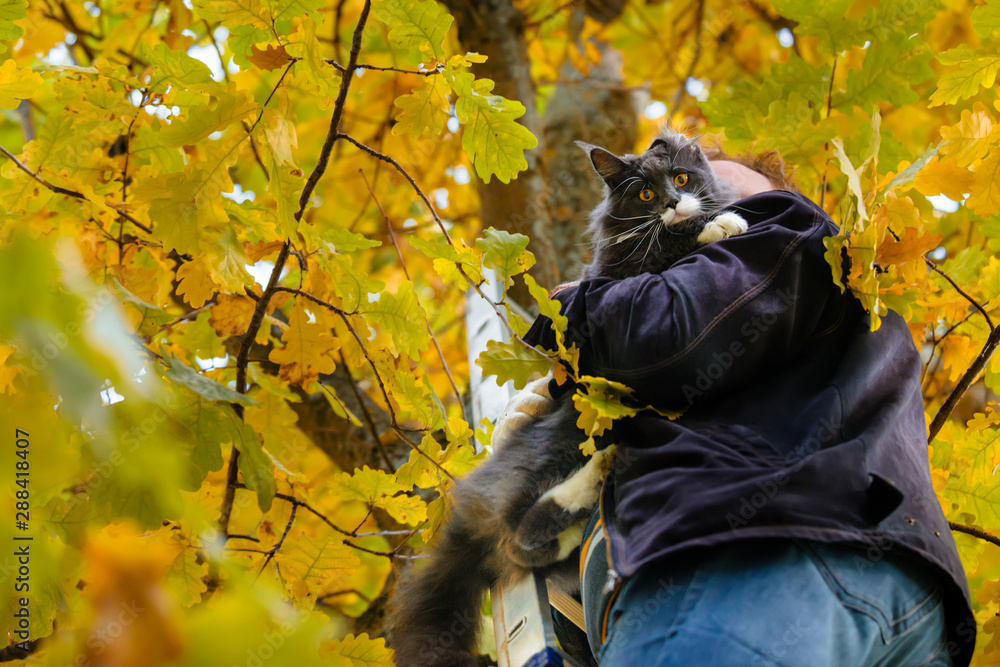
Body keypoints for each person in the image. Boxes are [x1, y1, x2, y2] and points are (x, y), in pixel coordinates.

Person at [519, 153, 976, 666]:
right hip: (883, 591)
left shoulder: (782, 222)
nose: (683, 207)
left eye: (701, 183)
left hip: (755, 556)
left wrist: (568, 306)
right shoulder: (792, 339)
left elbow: (664, 334)